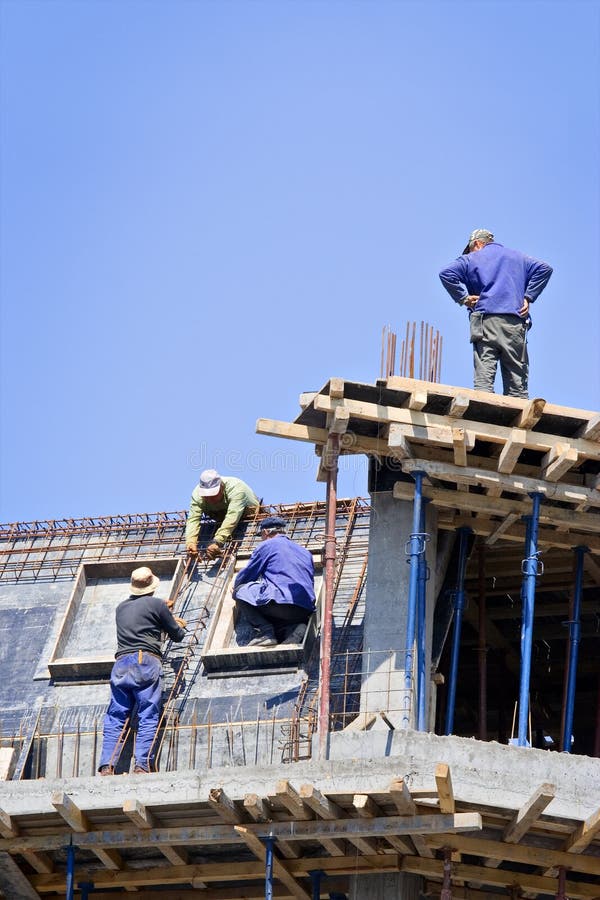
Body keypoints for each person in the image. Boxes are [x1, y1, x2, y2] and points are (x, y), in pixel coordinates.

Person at [439, 229, 553, 398]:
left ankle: (485, 415)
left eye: (470, 248)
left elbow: (445, 273)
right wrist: (528, 297)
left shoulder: (471, 259)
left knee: (484, 376)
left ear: (477, 244)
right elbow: (545, 269)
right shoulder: (518, 257)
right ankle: (518, 420)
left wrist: (463, 299)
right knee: (517, 380)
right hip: (514, 323)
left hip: (486, 322)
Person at [98, 566, 186, 775]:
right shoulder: (157, 605)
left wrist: (160, 613)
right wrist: (173, 622)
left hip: (121, 663)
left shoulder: (121, 607)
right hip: (145, 661)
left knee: (117, 715)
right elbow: (178, 635)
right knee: (148, 713)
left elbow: (141, 616)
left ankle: (106, 766)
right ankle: (142, 765)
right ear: (152, 585)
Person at [233, 516, 316, 647]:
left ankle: (266, 633)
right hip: (304, 609)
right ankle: (292, 629)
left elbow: (248, 575)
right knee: (275, 605)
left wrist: (235, 588)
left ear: (266, 532)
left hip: (281, 605)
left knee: (241, 591)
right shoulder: (305, 552)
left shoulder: (267, 545)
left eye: (261, 534)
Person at [185, 469, 260, 560]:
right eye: (206, 496)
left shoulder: (236, 488)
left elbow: (232, 516)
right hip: (220, 519)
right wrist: (190, 542)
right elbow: (193, 519)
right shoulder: (197, 495)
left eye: (213, 495)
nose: (210, 499)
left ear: (221, 486)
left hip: (248, 517)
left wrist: (217, 542)